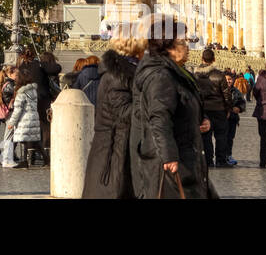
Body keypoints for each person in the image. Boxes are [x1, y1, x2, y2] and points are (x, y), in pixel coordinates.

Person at [129, 17, 212, 199]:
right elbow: (159, 118)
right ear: (167, 46)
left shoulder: (176, 72)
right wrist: (169, 157)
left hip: (185, 155)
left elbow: (183, 103)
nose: (187, 47)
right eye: (182, 42)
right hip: (171, 164)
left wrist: (201, 118)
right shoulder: (161, 75)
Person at [83, 29, 144, 198]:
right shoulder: (118, 77)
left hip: (118, 147)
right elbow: (124, 113)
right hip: (115, 151)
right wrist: (151, 105)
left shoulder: (126, 72)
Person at [193, 48, 233, 170]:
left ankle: (208, 160)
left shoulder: (196, 75)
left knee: (206, 136)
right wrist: (228, 109)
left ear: (202, 59)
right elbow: (226, 94)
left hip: (203, 109)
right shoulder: (219, 75)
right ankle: (221, 160)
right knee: (221, 135)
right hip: (219, 109)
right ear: (214, 59)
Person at [4, 66, 43, 168]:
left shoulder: (21, 93)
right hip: (33, 116)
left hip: (24, 118)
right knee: (31, 140)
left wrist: (11, 123)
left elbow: (17, 110)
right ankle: (26, 161)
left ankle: (32, 160)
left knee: (25, 139)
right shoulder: (33, 90)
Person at [225, 72, 245, 167]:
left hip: (232, 119)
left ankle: (228, 155)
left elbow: (242, 103)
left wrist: (239, 108)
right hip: (221, 118)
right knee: (221, 138)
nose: (228, 81)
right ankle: (220, 156)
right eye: (227, 79)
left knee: (230, 138)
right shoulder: (218, 90)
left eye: (230, 79)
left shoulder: (236, 91)